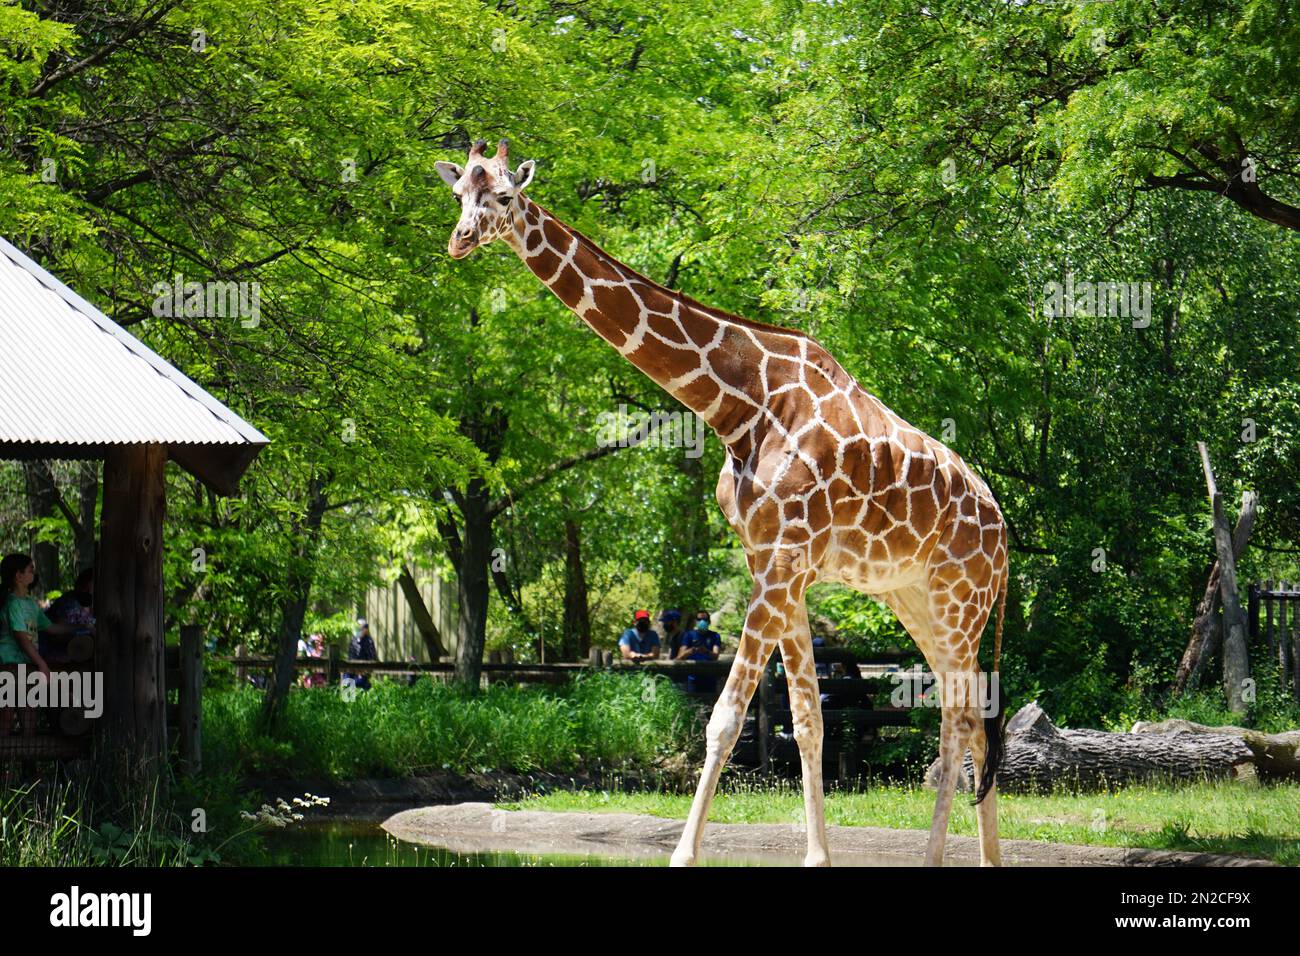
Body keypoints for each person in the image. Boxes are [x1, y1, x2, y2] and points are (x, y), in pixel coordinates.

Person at [0, 554, 86, 738]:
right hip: (9, 668)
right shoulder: (12, 604)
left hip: (28, 667)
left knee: (29, 715)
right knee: (6, 716)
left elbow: (50, 627)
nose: (34, 573)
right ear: (18, 576)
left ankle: (29, 763)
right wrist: (42, 664)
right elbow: (21, 638)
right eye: (30, 569)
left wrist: (81, 627)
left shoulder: (30, 603)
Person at [42, 567, 95, 664]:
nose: (87, 590)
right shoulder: (69, 603)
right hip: (59, 658)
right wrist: (83, 632)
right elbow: (56, 636)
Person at [677, 610, 724, 693]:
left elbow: (716, 656)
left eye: (705, 620)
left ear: (709, 622)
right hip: (692, 677)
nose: (702, 621)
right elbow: (680, 657)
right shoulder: (689, 635)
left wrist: (705, 651)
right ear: (696, 621)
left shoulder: (715, 636)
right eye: (699, 619)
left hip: (710, 677)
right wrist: (691, 650)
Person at [345, 619, 376, 691]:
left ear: (365, 630)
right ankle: (347, 700)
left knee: (360, 682)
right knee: (346, 679)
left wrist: (363, 672)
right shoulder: (353, 641)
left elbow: (372, 658)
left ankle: (362, 697)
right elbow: (350, 657)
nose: (359, 630)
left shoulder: (369, 642)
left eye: (361, 628)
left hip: (363, 671)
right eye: (357, 628)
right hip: (352, 670)